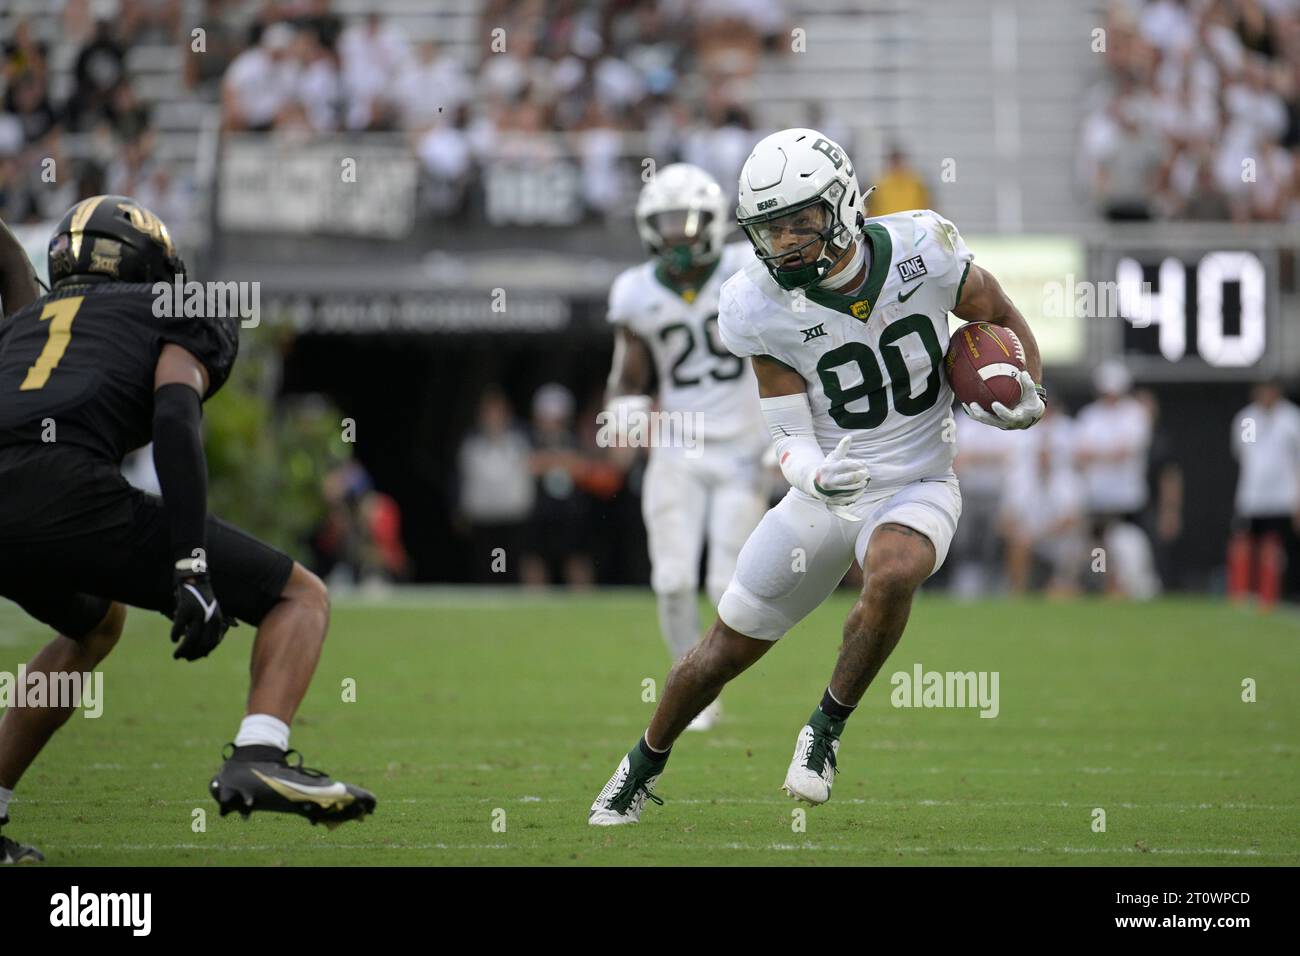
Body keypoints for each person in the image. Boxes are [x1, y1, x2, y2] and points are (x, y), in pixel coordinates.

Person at [589, 128, 1046, 824]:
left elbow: (999, 314)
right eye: (768, 231)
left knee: (893, 569)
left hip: (919, 478)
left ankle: (823, 732)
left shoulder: (924, 247)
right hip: (826, 487)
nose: (785, 244)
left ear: (839, 206)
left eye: (798, 223)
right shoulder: (755, 302)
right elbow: (785, 426)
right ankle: (640, 765)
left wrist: (1027, 389)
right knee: (720, 650)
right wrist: (811, 474)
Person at [0, 197, 374, 864]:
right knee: (300, 597)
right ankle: (260, 754)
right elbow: (175, 418)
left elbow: (11, 274)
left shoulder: (24, 325)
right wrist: (191, 566)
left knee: (95, 625)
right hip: (64, 490)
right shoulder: (174, 307)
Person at [603, 163, 769, 732]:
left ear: (712, 220)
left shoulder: (749, 270)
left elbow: (789, 350)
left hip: (745, 448)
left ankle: (708, 680)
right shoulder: (635, 290)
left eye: (685, 220)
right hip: (678, 447)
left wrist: (792, 432)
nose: (676, 234)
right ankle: (692, 689)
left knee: (725, 585)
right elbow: (628, 376)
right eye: (665, 223)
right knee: (672, 580)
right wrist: (622, 406)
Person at [1228, 381, 1300, 606]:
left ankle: (1272, 596)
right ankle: (1243, 592)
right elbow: (1245, 453)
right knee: (1246, 543)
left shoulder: (1291, 418)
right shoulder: (1248, 419)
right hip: (1253, 496)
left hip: (1283, 497)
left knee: (1275, 546)